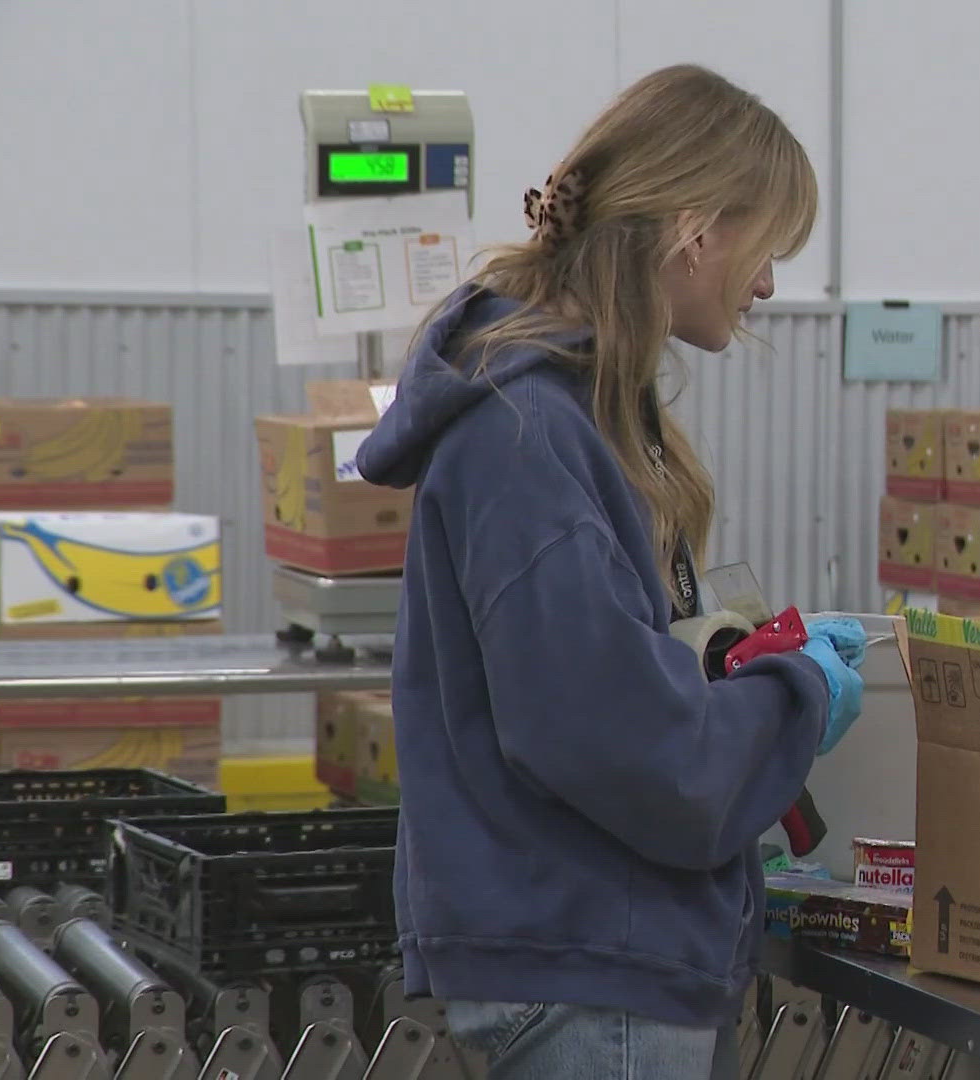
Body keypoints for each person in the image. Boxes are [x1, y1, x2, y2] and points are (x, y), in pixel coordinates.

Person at [354, 65, 866, 1079]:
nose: (767, 285)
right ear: (694, 231)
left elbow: (599, 681)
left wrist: (730, 673)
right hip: (591, 965)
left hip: (596, 952)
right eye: (768, 249)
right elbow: (621, 742)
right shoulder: (529, 436)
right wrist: (794, 697)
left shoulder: (571, 417)